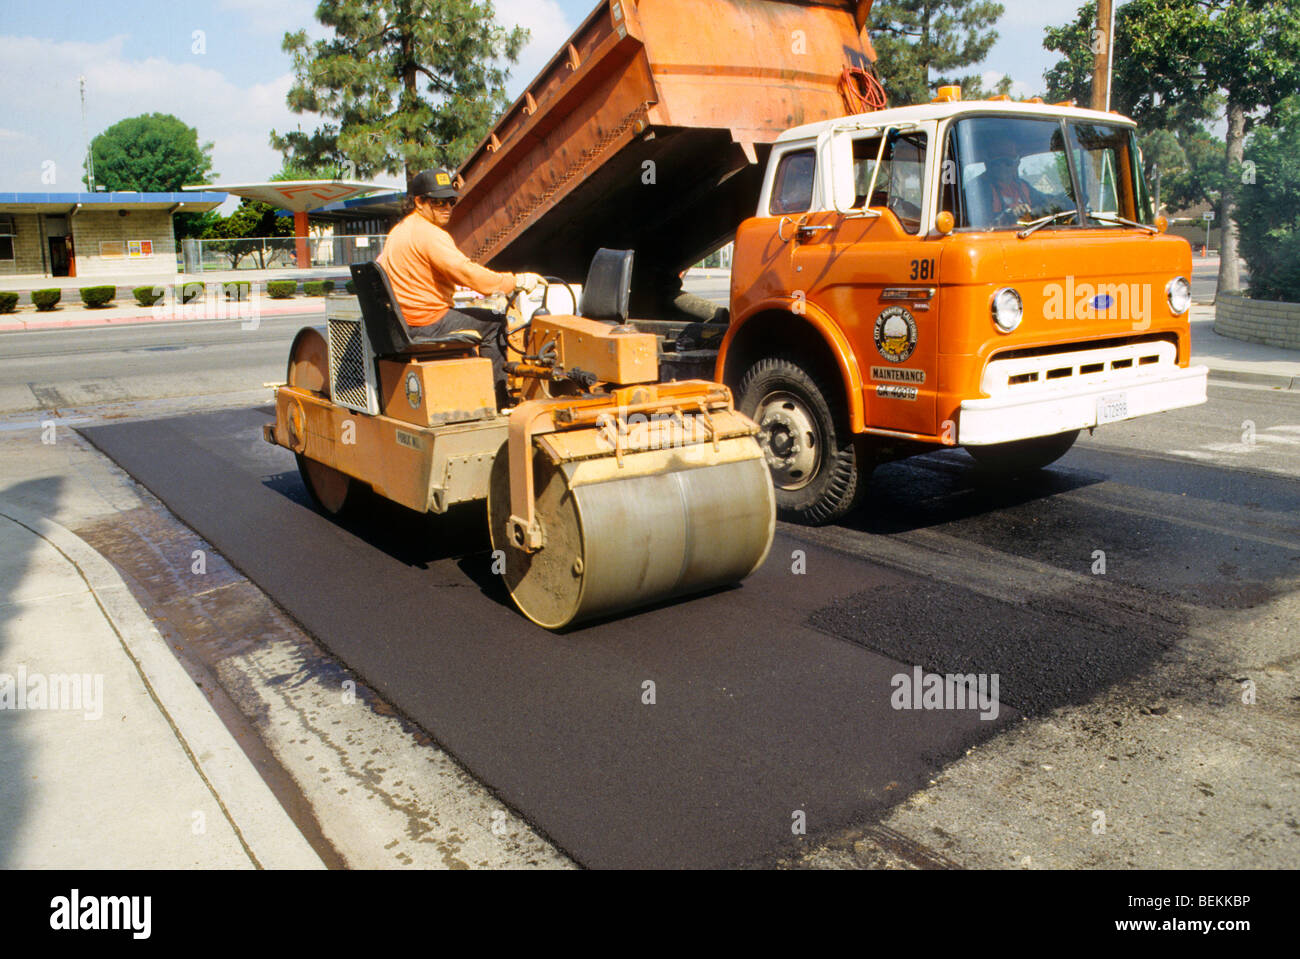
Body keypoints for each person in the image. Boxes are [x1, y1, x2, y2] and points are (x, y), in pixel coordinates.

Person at [376, 167, 542, 403]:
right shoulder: (430, 234)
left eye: (450, 202)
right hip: (426, 322)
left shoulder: (398, 231)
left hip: (403, 321)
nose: (446, 209)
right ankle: (498, 400)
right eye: (438, 202)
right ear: (419, 202)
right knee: (495, 321)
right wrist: (515, 281)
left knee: (476, 315)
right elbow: (466, 272)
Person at [970, 141, 1051, 227]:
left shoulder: (1022, 186)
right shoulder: (976, 190)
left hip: (1030, 235)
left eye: (1008, 162)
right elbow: (978, 227)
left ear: (1017, 163)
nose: (1002, 167)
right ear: (987, 164)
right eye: (996, 162)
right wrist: (1008, 215)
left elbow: (1046, 201)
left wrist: (1060, 201)